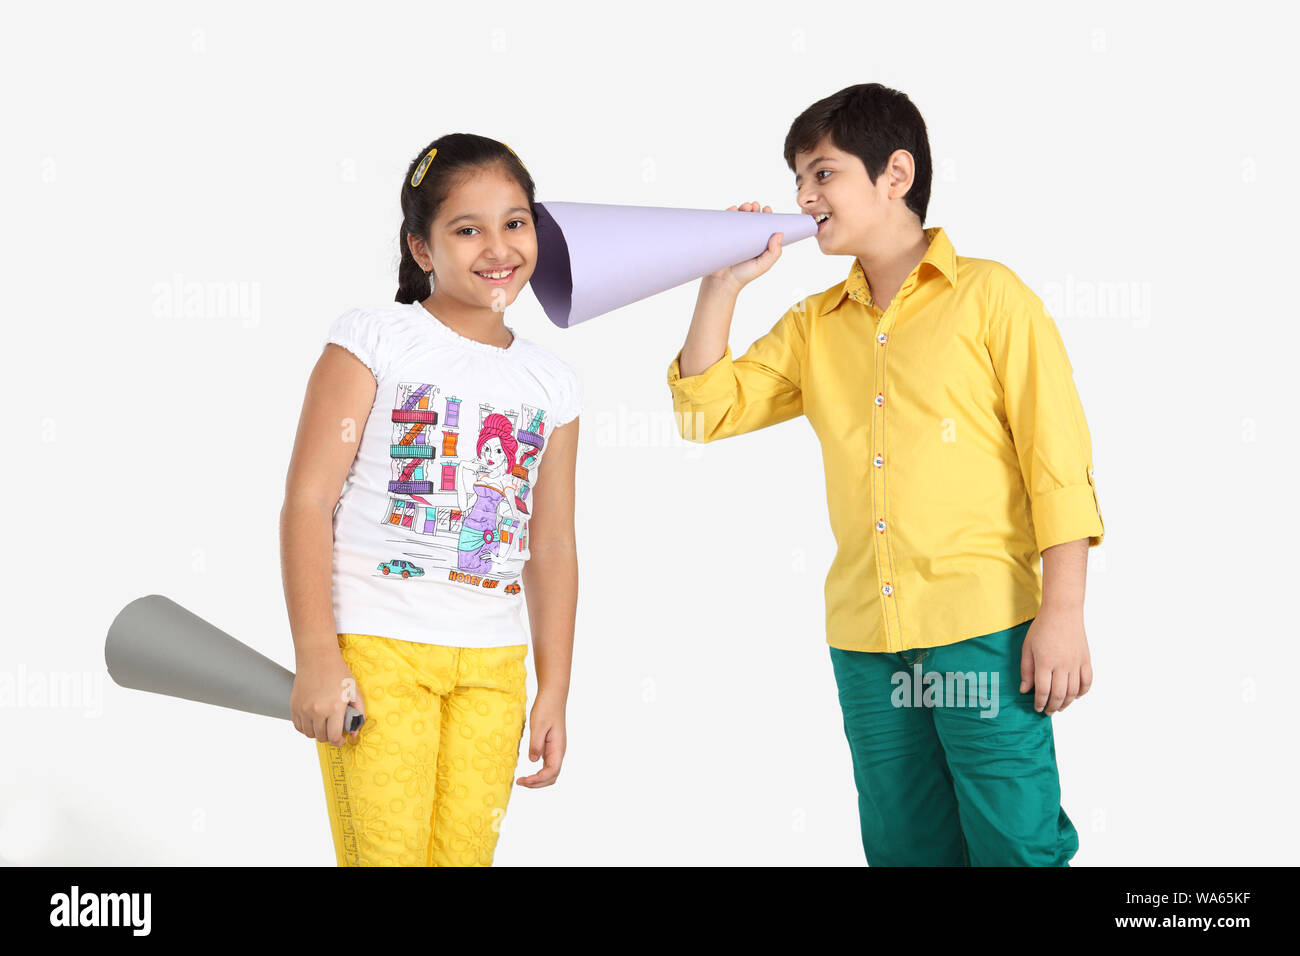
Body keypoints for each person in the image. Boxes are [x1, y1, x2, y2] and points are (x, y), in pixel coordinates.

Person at [666, 84, 1105, 866]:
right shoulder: (813, 325)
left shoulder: (991, 297)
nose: (802, 198)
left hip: (986, 631)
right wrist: (720, 288)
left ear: (894, 174)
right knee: (904, 847)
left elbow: (1057, 463)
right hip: (866, 640)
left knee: (1015, 841)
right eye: (798, 178)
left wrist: (1064, 610)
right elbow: (705, 413)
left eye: (822, 174)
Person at [281, 133, 581, 866]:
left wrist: (554, 688)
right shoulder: (377, 338)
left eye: (514, 222)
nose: (497, 247)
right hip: (379, 654)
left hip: (492, 667)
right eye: (466, 228)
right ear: (422, 248)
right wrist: (318, 656)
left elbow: (552, 546)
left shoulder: (552, 385)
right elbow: (307, 501)